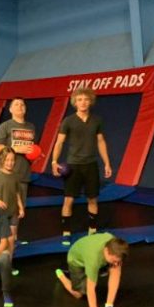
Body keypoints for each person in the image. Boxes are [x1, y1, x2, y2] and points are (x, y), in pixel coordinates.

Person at [51, 86, 113, 245]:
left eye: (86, 99)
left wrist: (107, 163)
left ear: (90, 101)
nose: (83, 102)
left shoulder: (97, 120)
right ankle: (66, 232)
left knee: (92, 199)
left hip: (91, 165)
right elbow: (59, 142)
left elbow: (101, 141)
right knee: (68, 200)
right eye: (79, 99)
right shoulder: (68, 121)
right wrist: (54, 162)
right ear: (75, 102)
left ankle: (92, 230)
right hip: (73, 166)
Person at [55, 233, 128, 307]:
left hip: (89, 254)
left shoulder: (115, 245)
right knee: (78, 294)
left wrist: (109, 305)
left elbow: (116, 273)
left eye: (118, 260)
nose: (116, 263)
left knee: (115, 268)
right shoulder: (94, 259)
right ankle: (61, 274)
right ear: (106, 251)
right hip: (76, 261)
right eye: (114, 260)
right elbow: (91, 288)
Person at [0, 97, 36, 242]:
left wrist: (35, 154)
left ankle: (13, 239)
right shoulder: (5, 126)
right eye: (16, 104)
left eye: (22, 104)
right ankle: (0, 239)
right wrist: (15, 148)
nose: (20, 106)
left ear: (25, 108)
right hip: (6, 176)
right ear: (10, 109)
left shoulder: (31, 127)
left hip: (23, 174)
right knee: (4, 207)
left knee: (18, 209)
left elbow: (31, 150)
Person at [0, 147, 24, 273]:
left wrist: (21, 207)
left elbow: (17, 193)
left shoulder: (15, 176)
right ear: (2, 160)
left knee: (11, 239)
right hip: (0, 214)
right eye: (7, 160)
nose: (10, 163)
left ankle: (8, 264)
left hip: (13, 213)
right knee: (0, 240)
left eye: (12, 160)